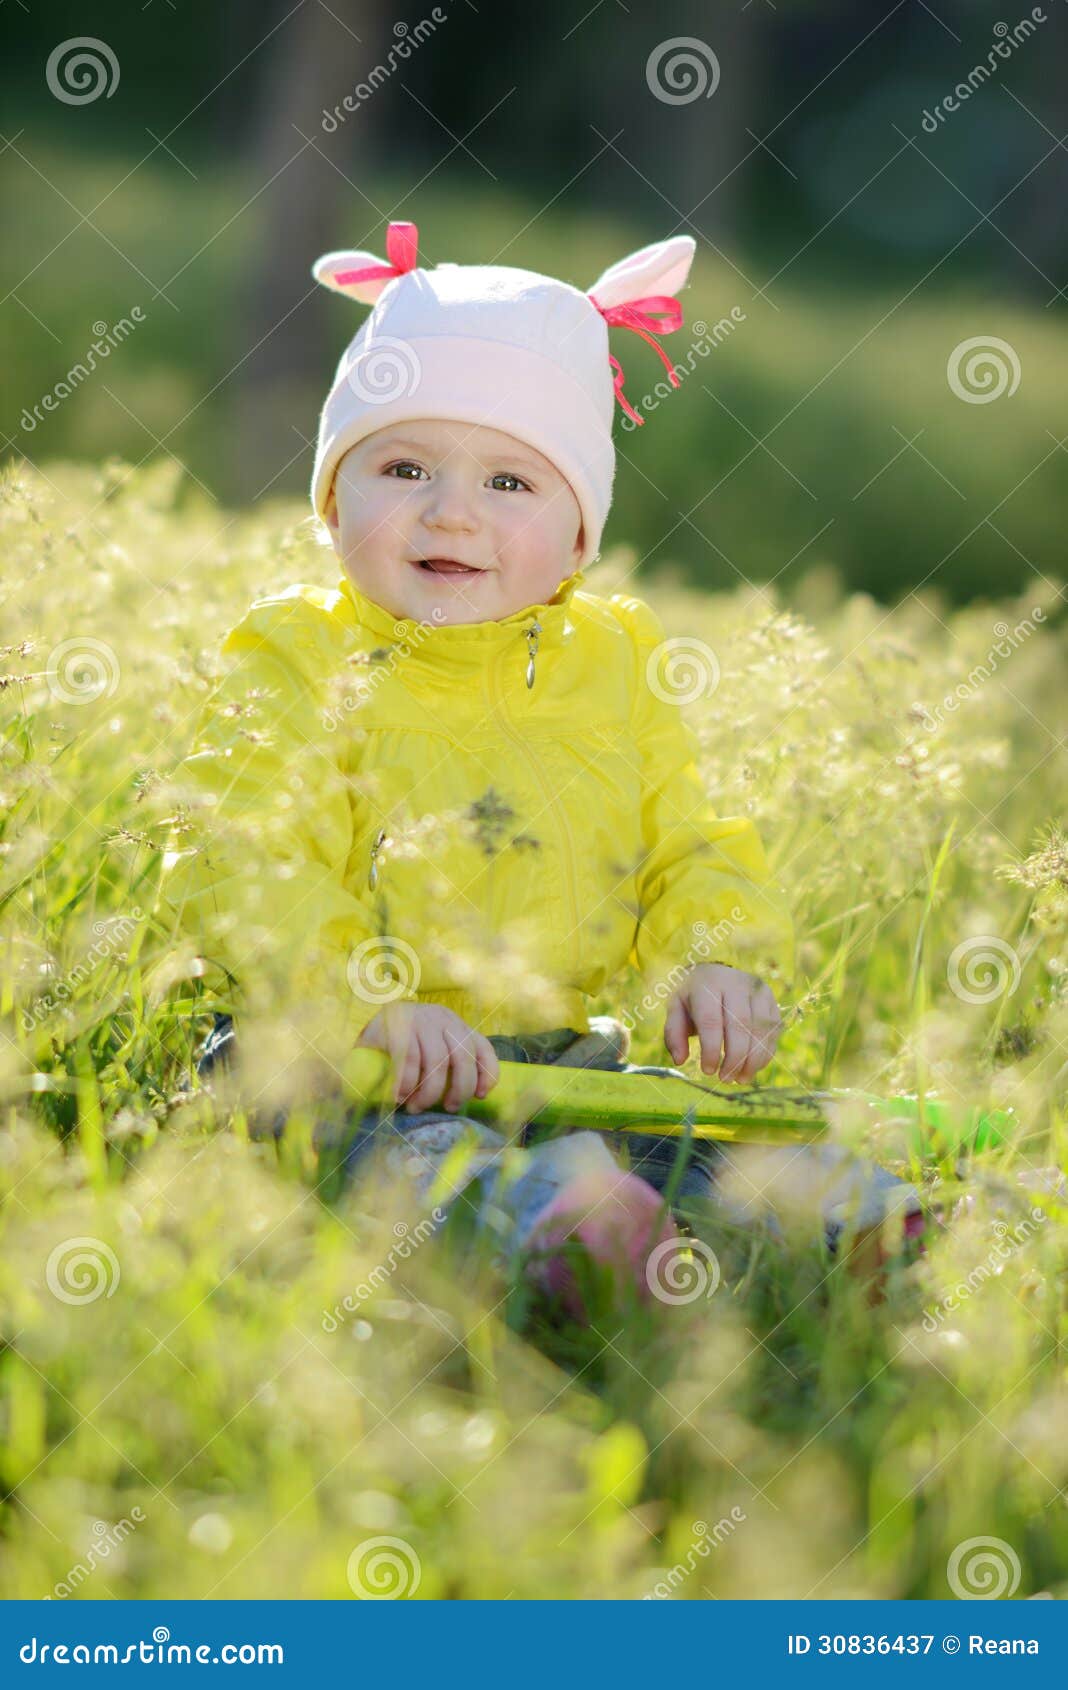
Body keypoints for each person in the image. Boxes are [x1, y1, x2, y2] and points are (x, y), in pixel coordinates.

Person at [156, 219, 918, 1319]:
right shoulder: (295, 653)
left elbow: (689, 841)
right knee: (414, 1160)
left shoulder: (614, 662)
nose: (452, 509)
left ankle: (846, 1215)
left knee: (678, 1126)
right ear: (332, 502)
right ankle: (565, 1239)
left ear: (577, 539)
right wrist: (369, 999)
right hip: (341, 1059)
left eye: (511, 481)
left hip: (560, 1061)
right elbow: (237, 850)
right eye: (403, 465)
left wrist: (712, 959)